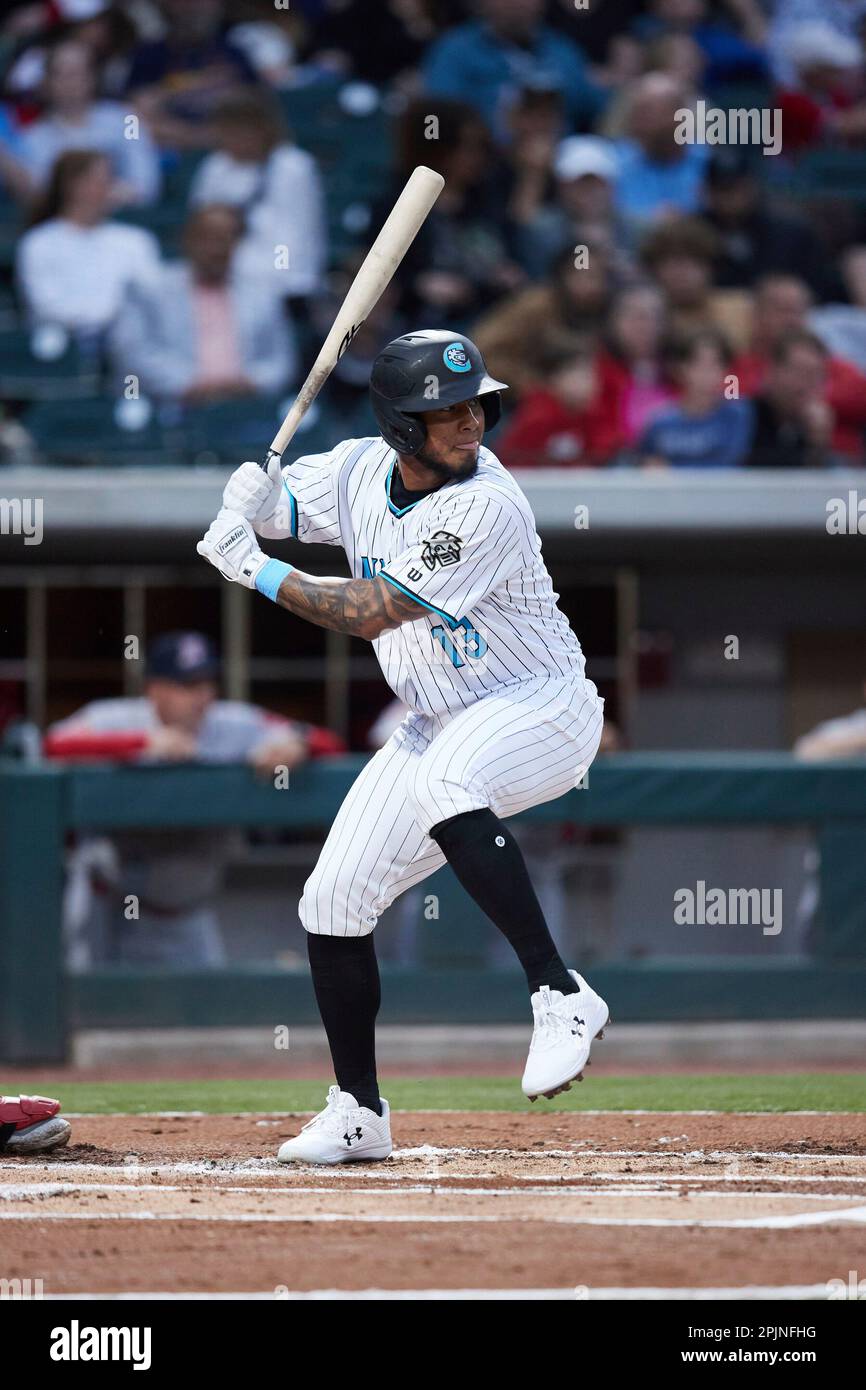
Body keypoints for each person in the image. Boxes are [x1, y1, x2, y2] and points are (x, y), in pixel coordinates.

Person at [198, 329, 611, 1164]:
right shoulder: (356, 468)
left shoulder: (485, 503)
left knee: (454, 778)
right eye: (445, 410)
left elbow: (371, 610)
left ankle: (559, 991)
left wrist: (256, 570)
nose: (469, 423)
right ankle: (359, 1110)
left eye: (475, 405)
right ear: (401, 426)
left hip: (541, 705)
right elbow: (282, 507)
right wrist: (248, 499)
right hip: (437, 718)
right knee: (333, 898)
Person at [44, 631, 323, 968]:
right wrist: (141, 744)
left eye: (207, 684)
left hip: (189, 913)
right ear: (154, 689)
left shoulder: (230, 722)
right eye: (187, 686)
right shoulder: (118, 718)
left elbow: (325, 739)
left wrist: (300, 743)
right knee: (91, 1012)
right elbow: (54, 745)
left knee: (205, 1014)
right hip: (107, 906)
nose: (201, 697)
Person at [108, 203, 297, 405]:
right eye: (208, 238)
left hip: (246, 403)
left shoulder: (263, 294)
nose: (217, 248)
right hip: (173, 406)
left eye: (226, 239)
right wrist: (190, 383)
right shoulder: (150, 289)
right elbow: (131, 353)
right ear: (188, 240)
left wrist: (250, 382)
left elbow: (282, 362)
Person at [187, 88, 326, 299]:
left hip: (282, 278)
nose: (233, 137)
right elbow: (202, 226)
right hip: (225, 276)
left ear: (263, 129)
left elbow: (299, 234)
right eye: (227, 130)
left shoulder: (293, 166)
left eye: (241, 129)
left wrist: (291, 285)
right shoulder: (214, 166)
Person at [422, 0, 605, 145]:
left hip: (561, 168)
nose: (516, 4)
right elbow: (440, 119)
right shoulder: (454, 50)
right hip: (482, 170)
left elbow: (599, 110)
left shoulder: (563, 51)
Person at [19, 38, 161, 205]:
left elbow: (147, 181)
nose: (68, 82)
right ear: (47, 83)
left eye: (76, 73)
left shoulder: (128, 119)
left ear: (92, 77)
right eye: (60, 74)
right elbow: (45, 194)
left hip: (126, 216)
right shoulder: (33, 137)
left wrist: (102, 197)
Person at [496, 336, 626, 467]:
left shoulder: (594, 415)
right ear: (555, 379)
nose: (592, 384)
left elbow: (607, 451)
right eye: (582, 375)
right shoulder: (537, 418)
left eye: (593, 375)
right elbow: (514, 463)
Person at [639, 329, 752, 468]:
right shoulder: (659, 423)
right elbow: (648, 465)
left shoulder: (737, 415)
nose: (707, 374)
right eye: (698, 364)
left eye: (715, 364)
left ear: (725, 370)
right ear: (681, 368)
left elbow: (732, 462)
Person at [745, 331, 831, 468]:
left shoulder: (818, 424)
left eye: (815, 374)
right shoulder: (745, 417)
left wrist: (817, 443)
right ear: (772, 371)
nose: (806, 382)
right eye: (798, 371)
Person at [0, 1095, 70, 1155]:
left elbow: (9, 1126)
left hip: (54, 1126)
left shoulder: (7, 1107)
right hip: (51, 1125)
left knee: (9, 1140)